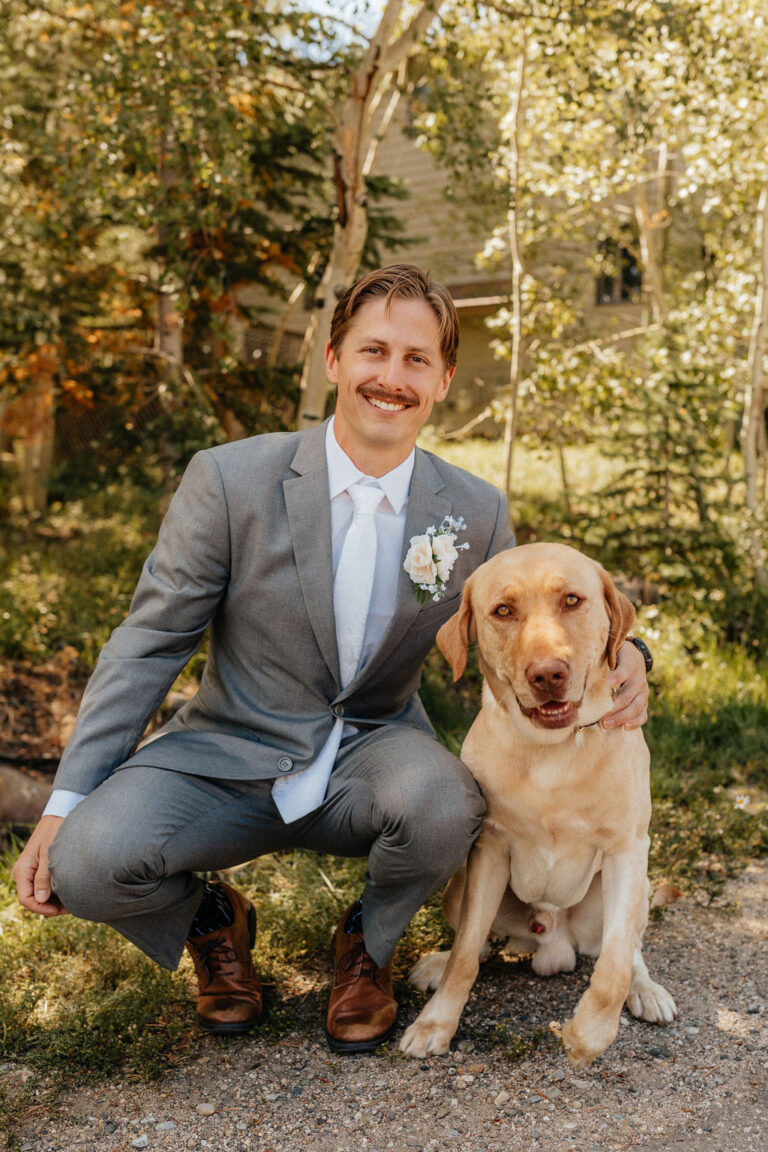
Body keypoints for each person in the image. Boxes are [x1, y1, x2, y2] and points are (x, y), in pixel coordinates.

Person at [13, 264, 649, 1052]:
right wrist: (66, 797)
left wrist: (632, 653)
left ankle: (368, 943)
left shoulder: (475, 510)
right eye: (373, 351)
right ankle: (213, 921)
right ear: (333, 359)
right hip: (229, 751)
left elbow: (532, 615)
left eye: (416, 359)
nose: (392, 377)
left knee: (451, 801)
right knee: (83, 861)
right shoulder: (229, 480)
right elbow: (148, 643)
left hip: (374, 753)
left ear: (444, 380)